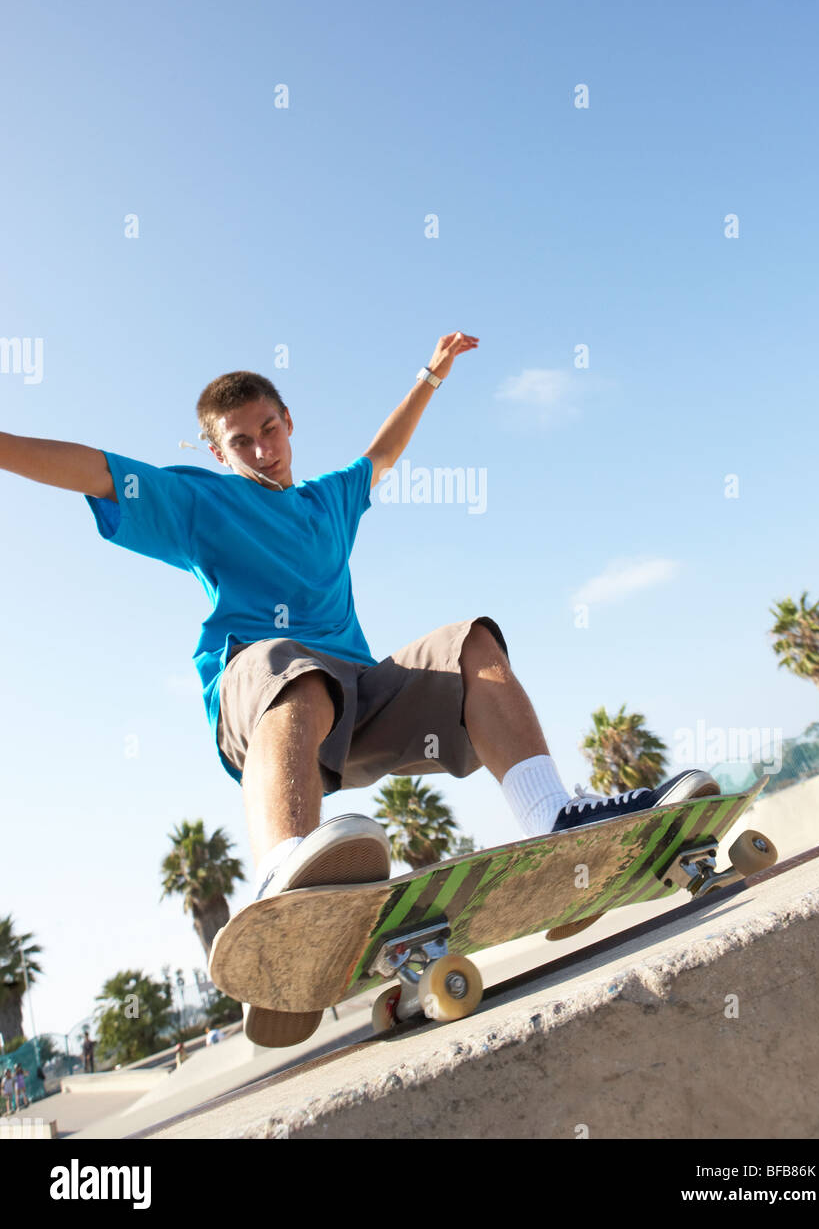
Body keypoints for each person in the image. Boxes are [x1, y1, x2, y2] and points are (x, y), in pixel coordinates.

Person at [0, 335, 715, 1047]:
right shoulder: (197, 501)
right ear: (217, 453)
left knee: (471, 640)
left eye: (269, 430)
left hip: (364, 703)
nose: (260, 450)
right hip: (266, 701)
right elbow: (96, 471)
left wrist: (430, 377)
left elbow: (383, 453)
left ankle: (552, 815)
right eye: (239, 442)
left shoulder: (328, 501)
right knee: (296, 668)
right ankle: (286, 871)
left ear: (288, 421)